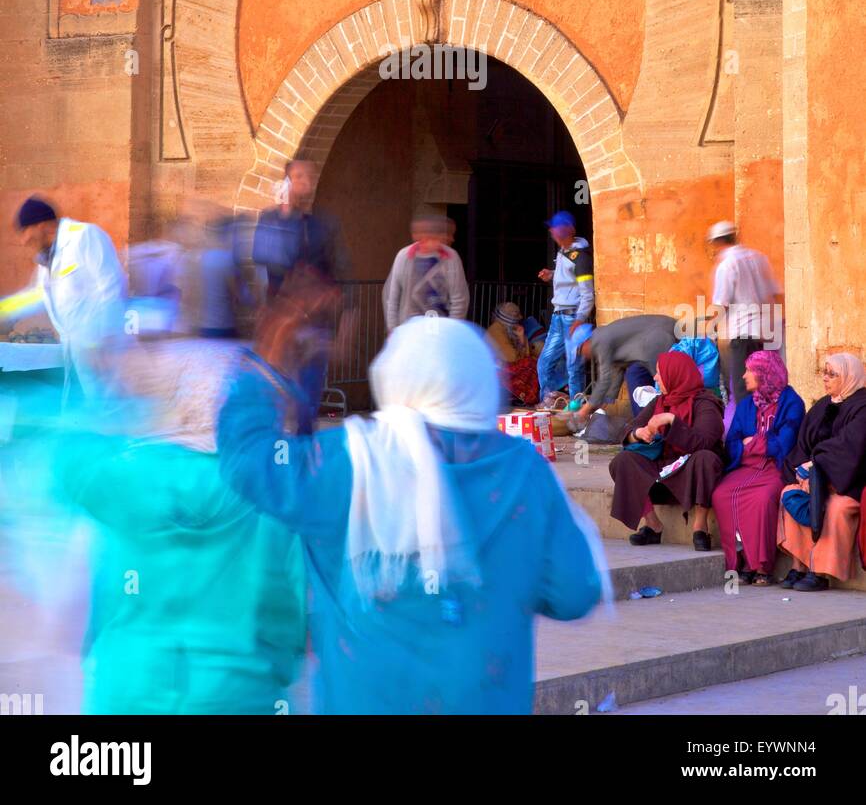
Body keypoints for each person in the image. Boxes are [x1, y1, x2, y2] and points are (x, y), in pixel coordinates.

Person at [217, 316, 609, 715]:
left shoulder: (348, 461)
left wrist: (266, 363)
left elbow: (247, 461)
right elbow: (574, 593)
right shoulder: (525, 472)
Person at [55, 340, 307, 714]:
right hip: (239, 695)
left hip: (128, 695)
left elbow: (72, 618)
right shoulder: (272, 499)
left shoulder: (116, 484)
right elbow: (290, 625)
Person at [12, 196, 127, 397]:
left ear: (42, 226)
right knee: (89, 405)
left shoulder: (85, 236)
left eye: (25, 232)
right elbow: (38, 295)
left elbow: (112, 286)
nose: (23, 241)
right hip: (75, 346)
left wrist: (102, 339)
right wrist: (4, 309)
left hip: (99, 345)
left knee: (108, 404)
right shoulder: (48, 256)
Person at [609, 351, 724, 550]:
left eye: (659, 373)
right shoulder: (660, 402)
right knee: (624, 460)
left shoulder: (705, 403)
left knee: (706, 458)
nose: (654, 378)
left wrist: (671, 421)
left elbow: (704, 441)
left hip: (691, 471)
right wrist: (639, 433)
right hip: (663, 470)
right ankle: (653, 525)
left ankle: (700, 526)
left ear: (675, 374)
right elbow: (626, 431)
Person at [711, 351, 805, 584]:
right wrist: (756, 444)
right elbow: (733, 441)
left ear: (765, 374)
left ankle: (762, 566)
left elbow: (785, 442)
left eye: (749, 370)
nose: (743, 376)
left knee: (763, 499)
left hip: (775, 467)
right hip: (746, 467)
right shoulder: (746, 406)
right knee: (721, 494)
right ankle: (740, 561)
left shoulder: (791, 403)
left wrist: (752, 442)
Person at [777, 353, 866, 591]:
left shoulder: (862, 407)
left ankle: (821, 572)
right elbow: (803, 444)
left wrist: (819, 474)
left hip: (847, 482)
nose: (825, 378)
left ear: (849, 376)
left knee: (835, 507)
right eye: (824, 373)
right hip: (817, 477)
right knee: (790, 492)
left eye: (832, 374)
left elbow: (850, 450)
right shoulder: (822, 405)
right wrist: (801, 473)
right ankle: (799, 565)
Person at [707, 221, 782, 403]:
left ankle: (748, 427)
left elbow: (722, 304)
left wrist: (711, 329)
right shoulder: (759, 258)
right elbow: (776, 293)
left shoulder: (727, 265)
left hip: (743, 333)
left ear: (717, 242)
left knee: (743, 388)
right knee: (766, 384)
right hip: (767, 333)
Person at [252, 160, 348, 300]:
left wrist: (347, 303)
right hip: (283, 308)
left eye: (310, 176)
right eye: (298, 176)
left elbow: (339, 265)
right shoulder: (270, 220)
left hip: (316, 311)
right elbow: (263, 267)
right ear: (287, 182)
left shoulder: (325, 222)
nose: (305, 182)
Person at [570, 314, 679, 427]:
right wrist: (604, 405)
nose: (582, 356)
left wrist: (585, 410)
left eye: (580, 351)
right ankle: (643, 424)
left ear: (585, 343)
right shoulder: (603, 338)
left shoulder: (599, 341)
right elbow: (617, 371)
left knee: (665, 384)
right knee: (633, 375)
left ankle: (668, 424)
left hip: (658, 338)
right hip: (651, 342)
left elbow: (605, 379)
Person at [535, 211, 594, 407]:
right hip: (558, 316)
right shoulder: (564, 252)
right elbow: (569, 278)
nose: (552, 231)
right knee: (545, 362)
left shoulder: (580, 256)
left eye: (556, 227)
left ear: (568, 230)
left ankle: (576, 411)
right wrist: (551, 274)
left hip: (571, 317)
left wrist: (579, 320)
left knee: (574, 367)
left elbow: (587, 294)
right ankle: (550, 403)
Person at [382, 210, 470, 330]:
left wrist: (451, 330)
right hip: (409, 329)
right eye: (448, 234)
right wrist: (393, 329)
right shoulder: (404, 256)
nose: (452, 239)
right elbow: (392, 298)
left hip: (441, 329)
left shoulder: (451, 257)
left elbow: (459, 300)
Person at [486, 302, 543, 408]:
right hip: (496, 370)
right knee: (530, 363)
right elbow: (512, 358)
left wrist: (522, 339)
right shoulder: (496, 330)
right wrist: (521, 341)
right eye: (516, 317)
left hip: (504, 367)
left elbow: (524, 354)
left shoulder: (508, 330)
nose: (519, 320)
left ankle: (524, 397)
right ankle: (524, 397)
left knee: (534, 361)